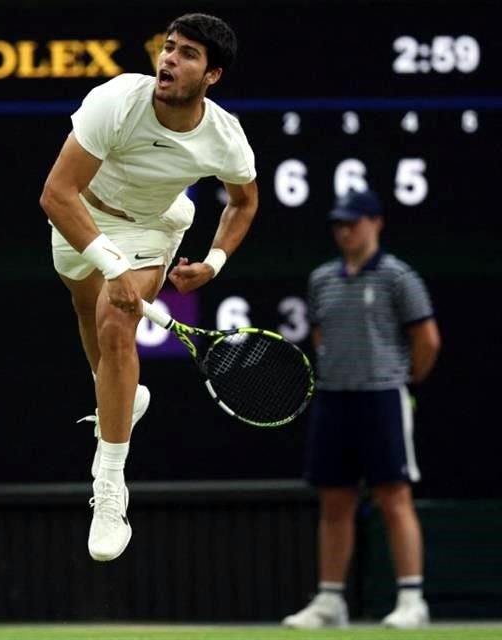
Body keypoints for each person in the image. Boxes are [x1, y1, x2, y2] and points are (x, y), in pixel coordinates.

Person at [38, 13, 258, 562]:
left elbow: (244, 200)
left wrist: (213, 262)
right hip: (80, 216)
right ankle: (124, 397)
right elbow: (56, 194)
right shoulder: (116, 101)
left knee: (118, 330)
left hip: (153, 227)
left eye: (187, 55)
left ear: (212, 76)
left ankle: (109, 488)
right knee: (87, 311)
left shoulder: (225, 137)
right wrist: (108, 266)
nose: (168, 61)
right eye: (168, 48)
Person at [282, 189, 441, 629]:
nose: (345, 231)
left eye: (353, 222)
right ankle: (330, 601)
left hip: (383, 397)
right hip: (334, 398)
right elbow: (319, 336)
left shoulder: (398, 277)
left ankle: (411, 599)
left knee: (394, 495)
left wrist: (401, 380)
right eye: (339, 224)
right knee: (335, 499)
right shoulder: (321, 279)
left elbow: (427, 340)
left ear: (376, 223)